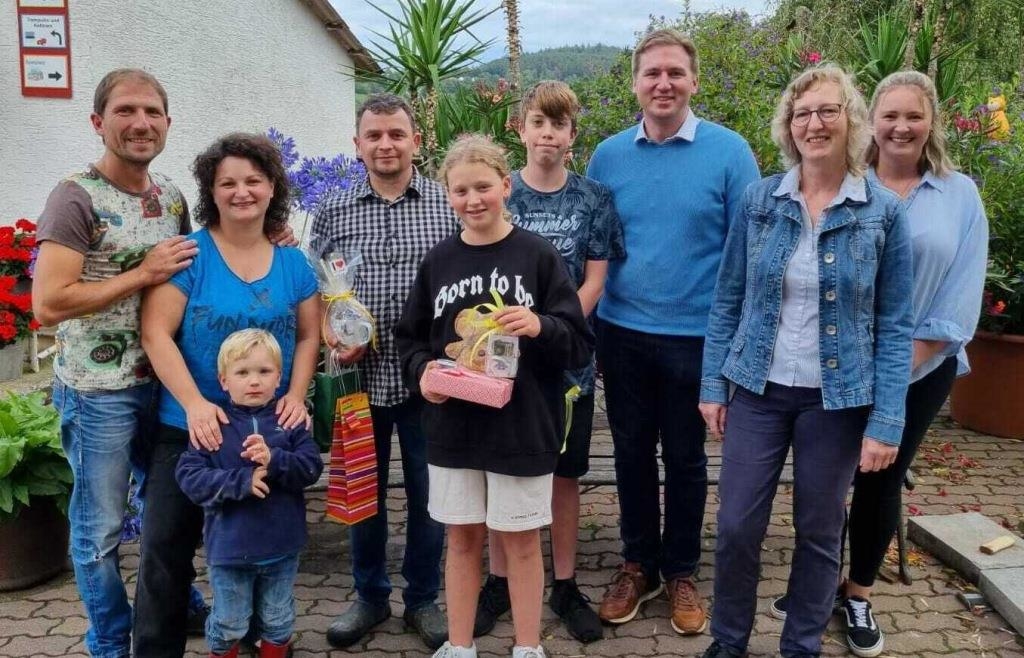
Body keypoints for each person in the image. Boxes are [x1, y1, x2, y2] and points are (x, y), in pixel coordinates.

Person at [697, 64, 914, 658]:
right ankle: (729, 641)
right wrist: (713, 384)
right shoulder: (759, 199)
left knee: (820, 531)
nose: (814, 124)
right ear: (787, 127)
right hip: (758, 388)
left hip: (837, 400)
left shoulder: (882, 212)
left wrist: (886, 421)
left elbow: (895, 325)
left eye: (827, 111)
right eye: (801, 113)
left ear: (851, 121)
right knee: (738, 524)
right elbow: (728, 297)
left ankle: (801, 646)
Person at [767, 70, 987, 658]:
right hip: (836, 366)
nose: (900, 127)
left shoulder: (960, 194)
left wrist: (891, 368)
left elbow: (959, 301)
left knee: (880, 478)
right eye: (889, 115)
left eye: (913, 115)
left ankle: (857, 591)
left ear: (931, 121)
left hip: (919, 366)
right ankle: (814, 586)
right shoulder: (845, 186)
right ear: (871, 122)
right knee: (823, 481)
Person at [585, 28, 761, 634]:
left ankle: (682, 569)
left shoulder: (731, 152)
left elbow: (749, 252)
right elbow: (594, 248)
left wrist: (735, 342)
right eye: (652, 73)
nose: (664, 84)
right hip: (623, 332)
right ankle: (639, 563)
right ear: (635, 82)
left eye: (675, 73)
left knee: (686, 459)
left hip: (699, 337)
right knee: (631, 454)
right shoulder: (607, 156)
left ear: (693, 81)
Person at [396, 133, 594, 658]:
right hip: (454, 429)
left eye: (483, 186)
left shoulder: (538, 255)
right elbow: (409, 339)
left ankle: (527, 647)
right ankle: (460, 646)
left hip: (522, 427)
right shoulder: (438, 262)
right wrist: (423, 376)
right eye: (460, 191)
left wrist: (539, 325)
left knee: (521, 541)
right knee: (462, 539)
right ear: (448, 197)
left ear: (506, 185)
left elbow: (577, 342)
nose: (473, 199)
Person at [32, 68, 201, 658]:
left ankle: (179, 604)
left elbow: (186, 276)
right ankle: (109, 636)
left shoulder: (172, 196)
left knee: (165, 515)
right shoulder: (75, 196)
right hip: (97, 392)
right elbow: (49, 303)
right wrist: (142, 273)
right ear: (98, 122)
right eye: (126, 111)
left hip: (164, 382)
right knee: (99, 529)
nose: (141, 124)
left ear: (167, 124)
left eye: (153, 112)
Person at [135, 133, 320, 657]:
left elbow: (309, 334)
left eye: (253, 181)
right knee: (164, 551)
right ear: (211, 192)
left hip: (270, 429)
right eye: (228, 183)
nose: (242, 192)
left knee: (264, 551)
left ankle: (263, 641)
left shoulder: (292, 263)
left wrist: (299, 394)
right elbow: (156, 333)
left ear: (272, 188)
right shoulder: (190, 256)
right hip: (189, 427)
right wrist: (195, 403)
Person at [472, 80, 625, 644]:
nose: (548, 134)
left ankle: (564, 583)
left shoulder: (594, 198)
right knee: (501, 472)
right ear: (521, 129)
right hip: (502, 367)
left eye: (558, 125)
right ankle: (498, 579)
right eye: (538, 122)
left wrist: (552, 330)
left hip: (566, 368)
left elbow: (597, 279)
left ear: (571, 135)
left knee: (564, 476)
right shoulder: (503, 197)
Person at [311, 93, 457, 651]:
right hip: (358, 380)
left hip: (431, 380)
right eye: (374, 135)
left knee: (430, 495)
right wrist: (329, 329)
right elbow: (319, 287)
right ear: (357, 145)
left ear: (416, 140)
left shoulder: (446, 203)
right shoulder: (334, 209)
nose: (386, 144)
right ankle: (369, 597)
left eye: (397, 134)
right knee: (361, 492)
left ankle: (423, 599)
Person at [176, 329, 324, 658]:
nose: (253, 381)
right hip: (230, 551)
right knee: (229, 623)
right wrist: (239, 482)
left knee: (279, 620)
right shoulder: (214, 424)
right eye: (242, 373)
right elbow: (190, 478)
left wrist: (275, 460)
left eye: (263, 372)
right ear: (223, 380)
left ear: (279, 377)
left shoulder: (290, 421)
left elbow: (311, 468)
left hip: (282, 548)